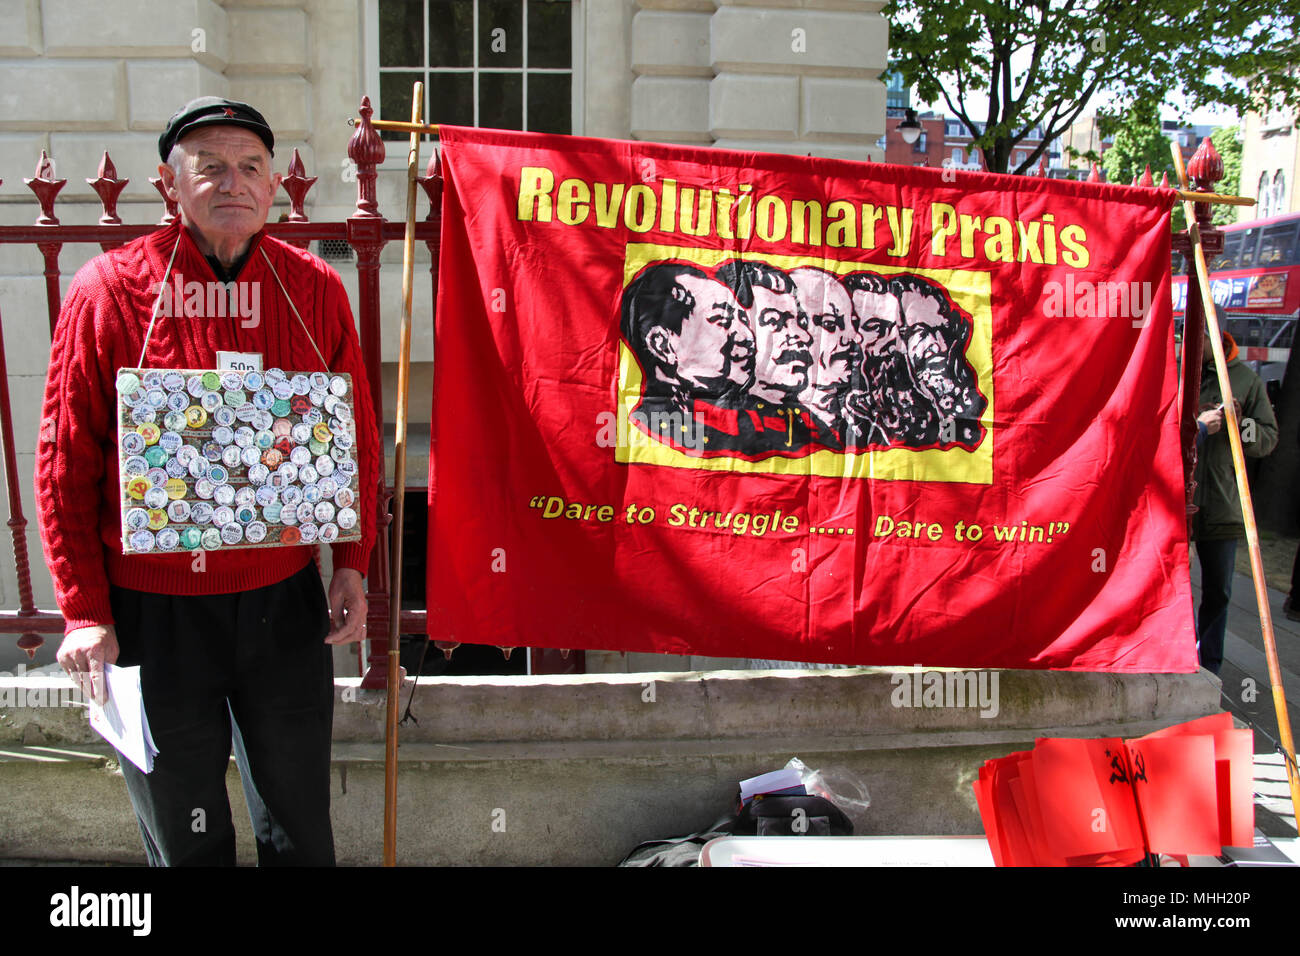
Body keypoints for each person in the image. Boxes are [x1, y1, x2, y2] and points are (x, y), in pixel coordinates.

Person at [36, 97, 380, 865]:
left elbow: (353, 435)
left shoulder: (315, 288)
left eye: (251, 167)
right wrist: (84, 609)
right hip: (152, 616)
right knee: (186, 839)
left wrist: (354, 559)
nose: (235, 183)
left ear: (271, 184)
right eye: (211, 167)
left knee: (299, 833)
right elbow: (66, 461)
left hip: (281, 605)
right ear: (169, 183)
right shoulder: (107, 290)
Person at [1191, 325, 1278, 675]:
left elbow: (1268, 437)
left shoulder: (1245, 380)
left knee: (1218, 592)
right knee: (1170, 588)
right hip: (1174, 501)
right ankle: (1173, 656)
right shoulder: (1176, 367)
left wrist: (1239, 426)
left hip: (1222, 502)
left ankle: (1209, 665)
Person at [619, 261, 756, 452]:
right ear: (663, 345)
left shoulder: (758, 429)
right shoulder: (656, 435)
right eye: (723, 321)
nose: (748, 337)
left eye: (743, 320)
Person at [790, 266, 862, 449]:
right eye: (830, 324)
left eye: (852, 323)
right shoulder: (765, 423)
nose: (854, 337)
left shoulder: (861, 418)